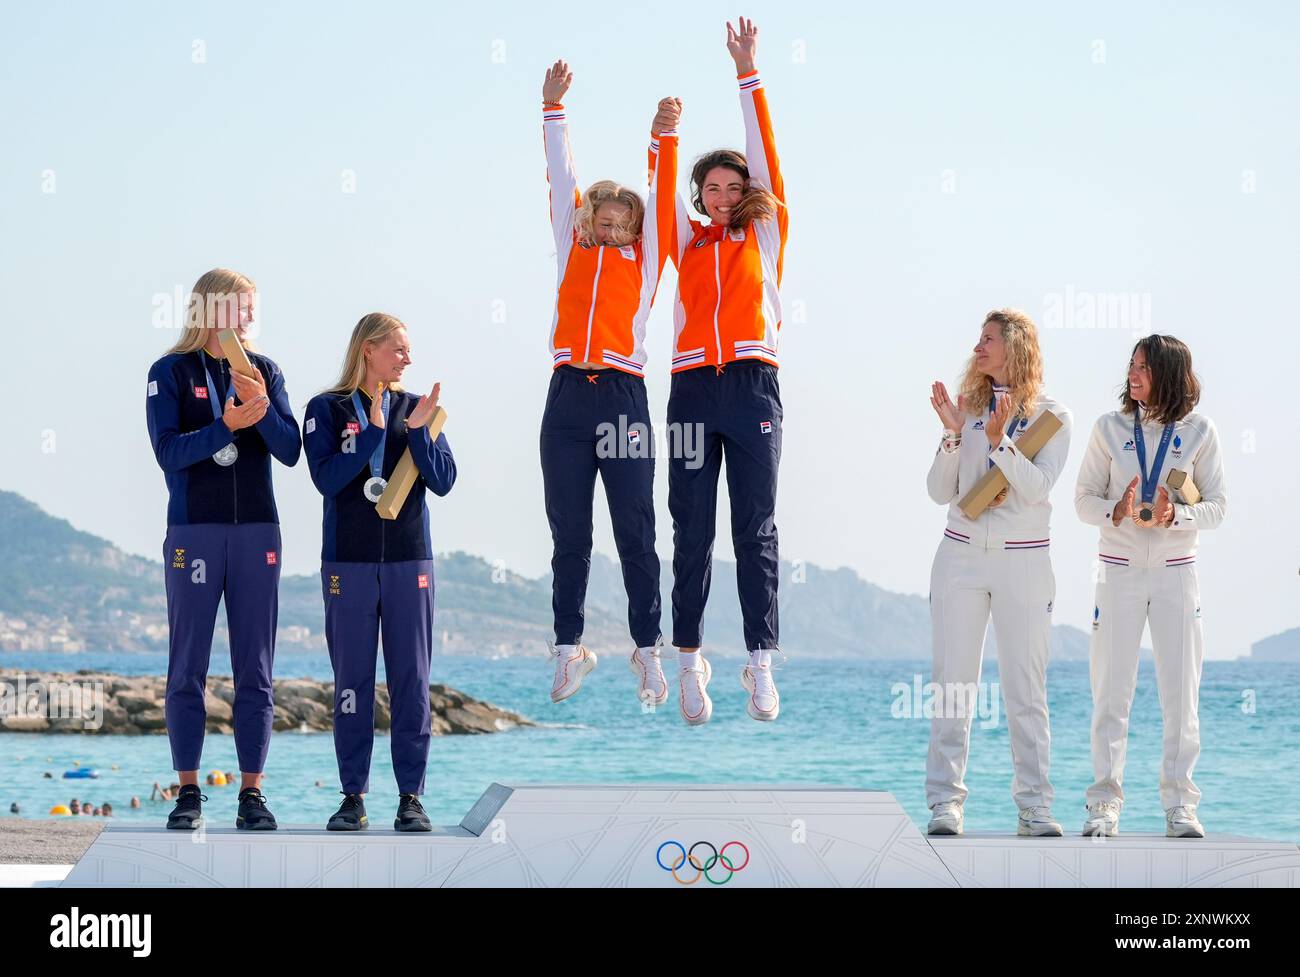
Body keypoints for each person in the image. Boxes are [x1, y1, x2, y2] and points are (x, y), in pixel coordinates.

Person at [538, 60, 680, 706]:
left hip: (623, 398)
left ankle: (647, 651)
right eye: (605, 219)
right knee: (570, 532)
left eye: (625, 222)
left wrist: (662, 137)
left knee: (635, 530)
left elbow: (663, 186)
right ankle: (568, 649)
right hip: (567, 396)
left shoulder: (646, 259)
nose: (613, 227)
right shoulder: (573, 247)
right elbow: (560, 176)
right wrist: (553, 108)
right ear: (590, 219)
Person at [664, 17, 789, 724]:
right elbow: (659, 186)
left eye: (731, 185)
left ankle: (760, 663)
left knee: (756, 527)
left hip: (751, 384)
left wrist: (748, 71)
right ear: (698, 193)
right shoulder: (688, 240)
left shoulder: (764, 234)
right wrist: (667, 134)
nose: (721, 195)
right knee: (690, 525)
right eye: (709, 186)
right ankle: (689, 662)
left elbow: (766, 155)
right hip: (690, 389)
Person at [146, 268, 301, 831]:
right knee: (187, 665)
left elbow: (290, 452)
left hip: (258, 530)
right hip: (195, 530)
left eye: (254, 307)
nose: (250, 317)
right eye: (242, 307)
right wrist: (225, 424)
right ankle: (188, 792)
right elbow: (168, 452)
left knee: (255, 668)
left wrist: (258, 408)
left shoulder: (266, 371)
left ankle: (252, 793)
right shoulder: (169, 371)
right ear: (210, 310)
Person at [304, 313, 457, 832]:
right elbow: (327, 479)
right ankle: (353, 797)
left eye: (408, 350)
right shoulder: (325, 409)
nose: (408, 359)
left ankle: (411, 797)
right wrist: (371, 433)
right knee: (352, 682)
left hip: (409, 561)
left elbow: (443, 481)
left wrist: (416, 435)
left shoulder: (418, 409)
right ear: (368, 350)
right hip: (347, 561)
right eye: (398, 349)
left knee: (412, 680)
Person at [924, 309, 1073, 837]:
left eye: (987, 339)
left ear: (1015, 347)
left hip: (1025, 561)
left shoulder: (1053, 416)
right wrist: (952, 435)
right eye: (979, 338)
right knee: (952, 684)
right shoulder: (969, 411)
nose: (977, 346)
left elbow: (1036, 488)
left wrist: (999, 441)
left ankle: (1034, 807)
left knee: (1025, 689)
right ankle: (945, 802)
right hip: (960, 556)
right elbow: (942, 492)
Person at [1075, 335, 1225, 838]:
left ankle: (1181, 805)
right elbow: (1082, 499)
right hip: (1116, 570)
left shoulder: (1201, 431)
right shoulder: (1108, 428)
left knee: (1180, 696)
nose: (1133, 374)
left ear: (1169, 373)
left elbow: (1218, 507)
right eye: (1131, 365)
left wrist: (1174, 514)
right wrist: (1115, 510)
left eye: (1144, 367)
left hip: (1176, 573)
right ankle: (1103, 804)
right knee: (1111, 692)